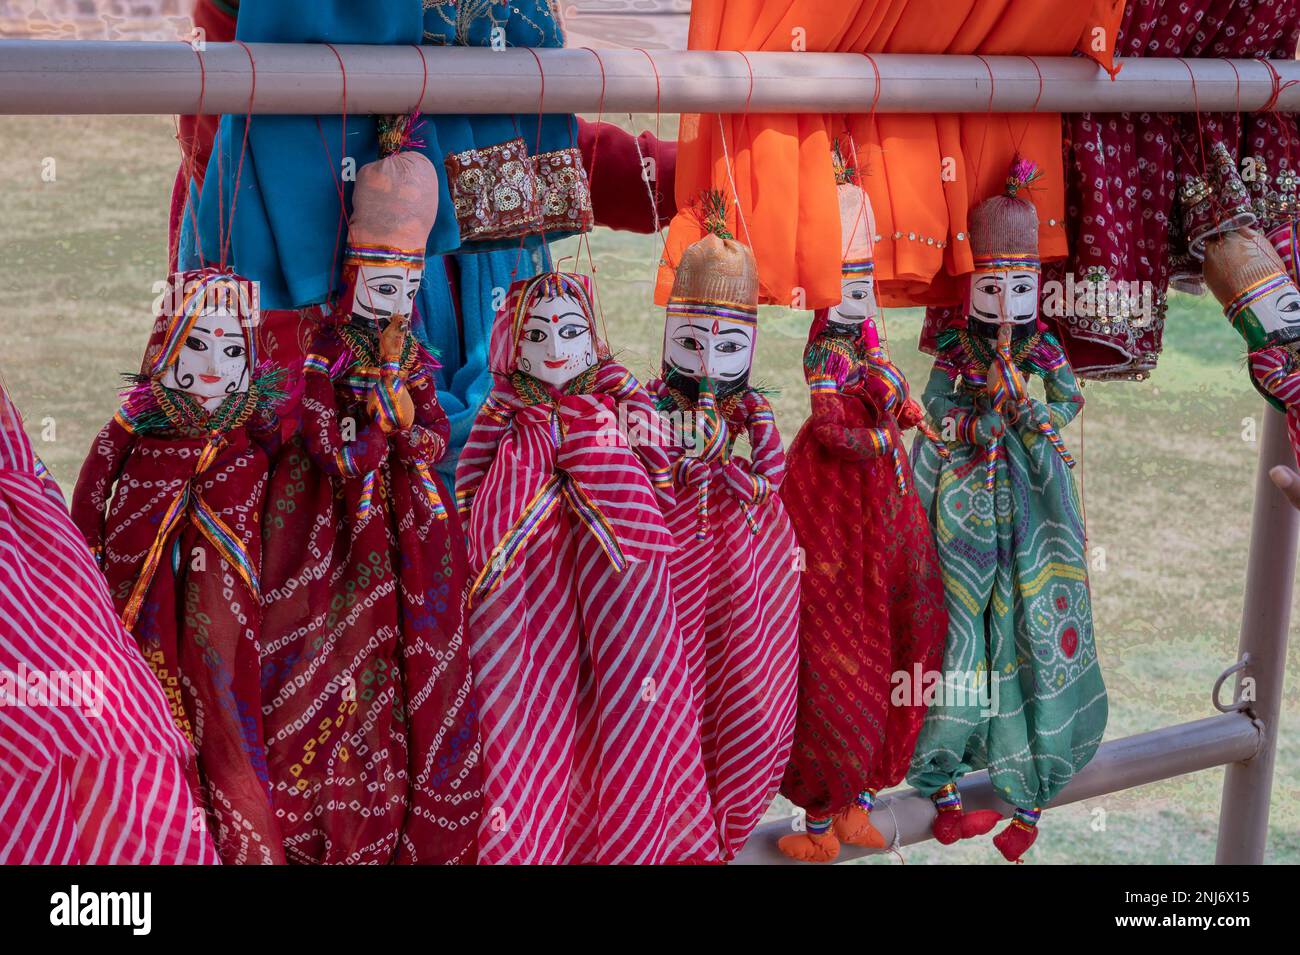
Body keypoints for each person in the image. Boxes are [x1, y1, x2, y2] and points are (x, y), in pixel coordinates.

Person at [457, 271, 719, 864]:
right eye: (537, 337)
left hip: (620, 576)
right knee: (526, 695)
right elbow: (472, 491)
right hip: (530, 580)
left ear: (592, 340)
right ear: (510, 347)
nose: (556, 351)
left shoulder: (618, 402)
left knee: (633, 691)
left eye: (572, 333)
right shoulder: (504, 416)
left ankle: (638, 830)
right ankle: (533, 833)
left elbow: (660, 474)